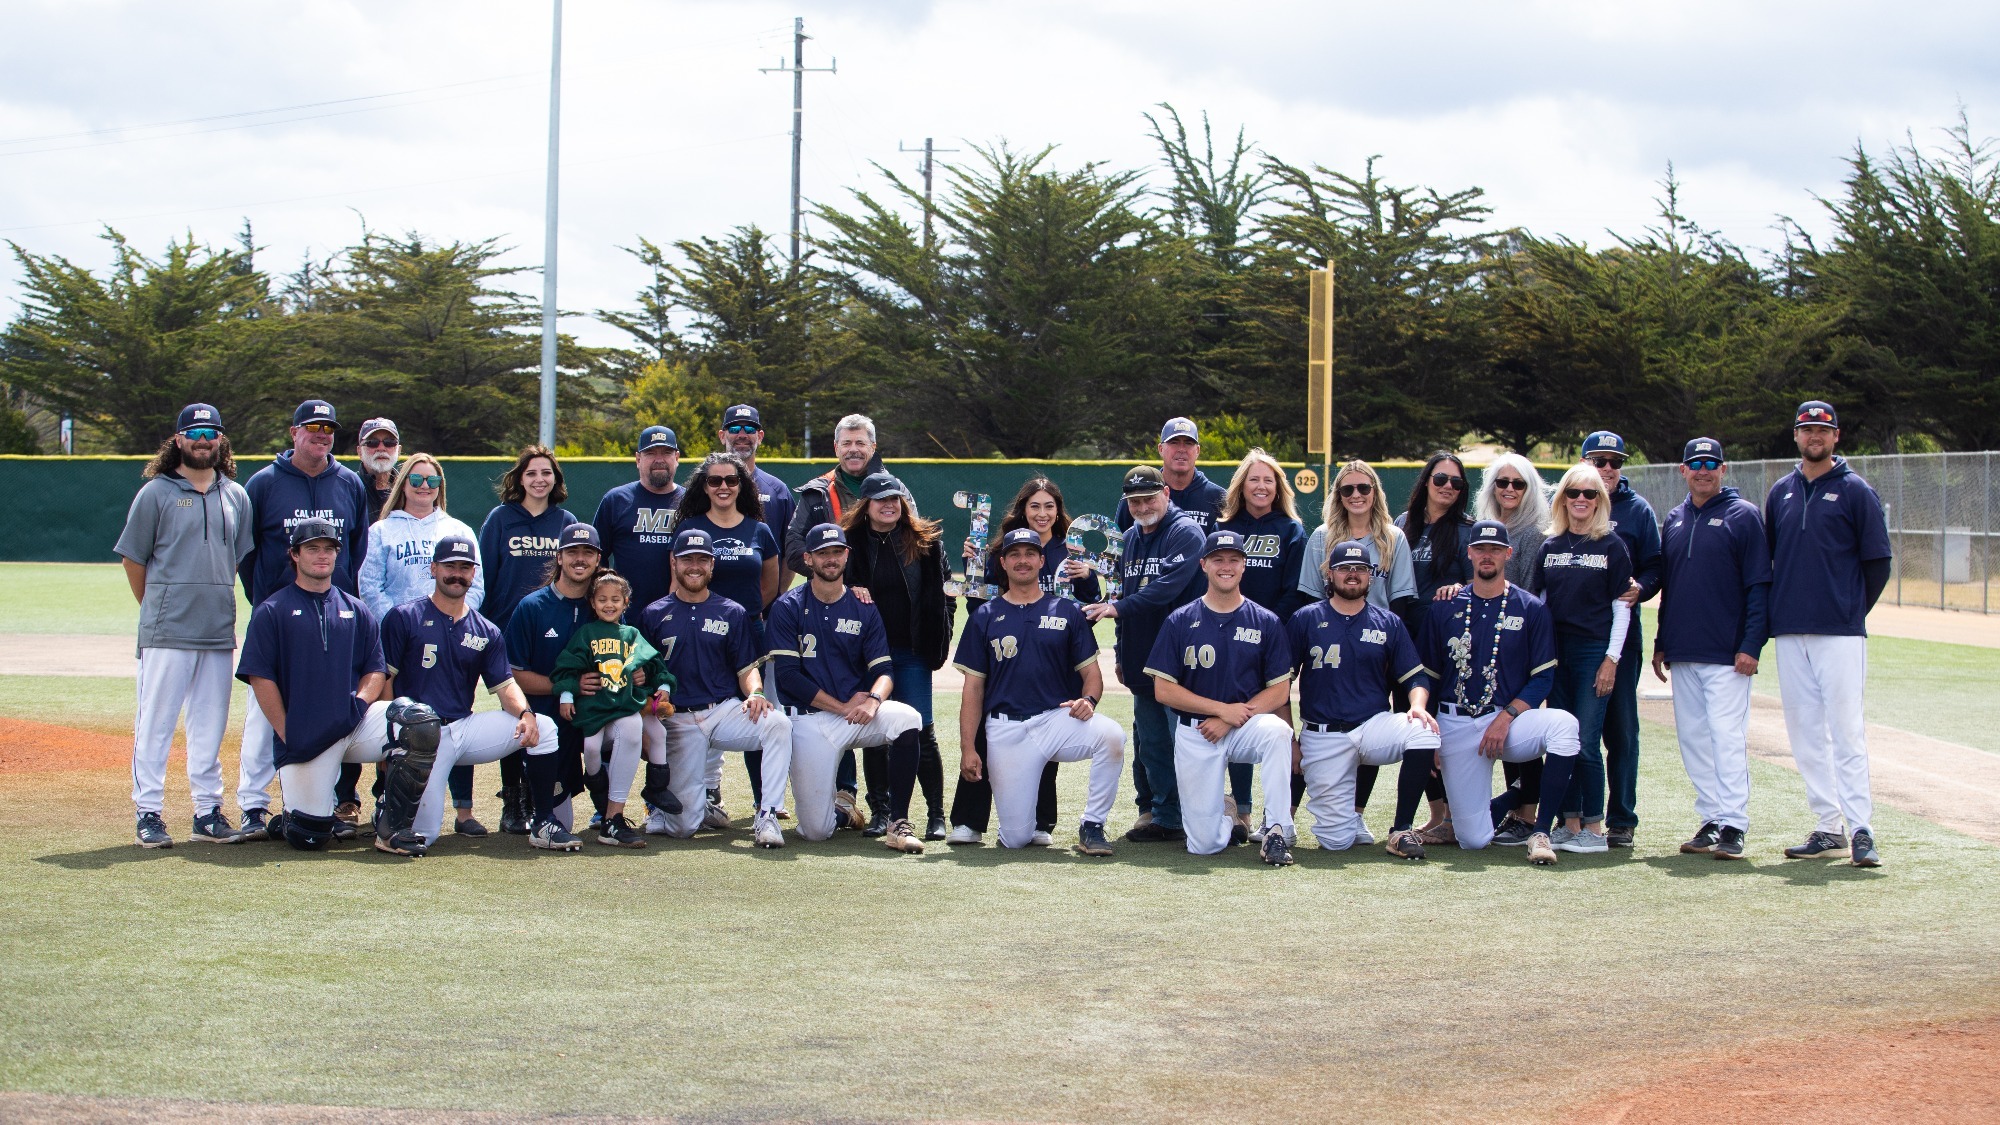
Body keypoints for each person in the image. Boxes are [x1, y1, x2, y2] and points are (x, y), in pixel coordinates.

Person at [233, 399, 371, 842]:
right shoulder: (265, 483)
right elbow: (248, 552)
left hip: (334, 615)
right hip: (279, 616)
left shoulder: (348, 483)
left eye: (328, 428)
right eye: (312, 427)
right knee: (264, 712)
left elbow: (355, 547)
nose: (321, 434)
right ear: (294, 433)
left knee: (333, 709)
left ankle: (322, 803)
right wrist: (268, 599)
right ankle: (254, 805)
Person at [116, 404, 254, 847]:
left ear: (221, 440)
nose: (202, 438)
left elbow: (235, 559)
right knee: (156, 722)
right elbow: (133, 560)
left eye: (211, 431)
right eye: (194, 431)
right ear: (177, 439)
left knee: (209, 724)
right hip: (167, 629)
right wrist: (158, 604)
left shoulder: (236, 495)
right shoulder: (155, 493)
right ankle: (149, 812)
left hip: (216, 630)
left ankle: (207, 811)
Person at [1766, 401, 1893, 868]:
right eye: (1806, 429)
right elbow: (1773, 558)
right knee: (1804, 733)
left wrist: (1849, 609)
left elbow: (1877, 562)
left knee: (1846, 730)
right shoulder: (1780, 491)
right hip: (1790, 630)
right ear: (1796, 436)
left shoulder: (1856, 490)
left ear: (1836, 436)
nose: (1814, 436)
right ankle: (1827, 826)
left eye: (1822, 429)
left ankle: (1861, 829)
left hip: (1839, 632)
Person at [376, 536, 559, 854]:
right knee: (422, 836)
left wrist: (525, 715)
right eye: (449, 566)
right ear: (433, 568)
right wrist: (391, 743)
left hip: (463, 728)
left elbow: (505, 686)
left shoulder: (485, 630)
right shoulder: (404, 617)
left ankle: (543, 820)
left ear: (474, 573)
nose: (457, 574)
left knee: (544, 728)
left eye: (465, 567)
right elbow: (385, 681)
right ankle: (389, 806)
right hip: (418, 740)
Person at [1416, 521, 1582, 865]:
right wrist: (1430, 736)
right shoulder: (1445, 605)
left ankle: (1541, 831)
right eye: (1480, 549)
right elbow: (1428, 675)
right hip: (1455, 721)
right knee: (1473, 840)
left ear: (1509, 553)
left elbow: (1542, 678)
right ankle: (1514, 796)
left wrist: (1507, 717)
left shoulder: (1530, 607)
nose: (1487, 555)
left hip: (1505, 718)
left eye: (1495, 549)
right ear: (1470, 553)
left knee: (1564, 725)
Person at [946, 477, 1099, 845]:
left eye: (1049, 506)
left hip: (1055, 654)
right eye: (1035, 506)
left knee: (1046, 735)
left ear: (1059, 512)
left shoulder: (1072, 551)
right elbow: (978, 602)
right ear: (1022, 510)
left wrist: (1089, 579)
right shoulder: (1003, 548)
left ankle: (1040, 821)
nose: (1042, 513)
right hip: (1007, 652)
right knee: (986, 726)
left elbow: (1089, 609)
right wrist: (974, 564)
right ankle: (969, 820)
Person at [230, 517, 394, 854]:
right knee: (310, 836)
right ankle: (290, 818)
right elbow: (261, 678)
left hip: (353, 724)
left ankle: (396, 821)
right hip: (304, 737)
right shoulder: (272, 610)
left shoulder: (357, 610)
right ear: (294, 554)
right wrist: (287, 732)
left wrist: (359, 706)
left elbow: (375, 670)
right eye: (312, 548)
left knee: (416, 723)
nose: (322, 555)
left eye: (329, 549)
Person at [1288, 458, 1430, 845]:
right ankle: (1284, 818)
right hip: (1331, 632)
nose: (1355, 495)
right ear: (1337, 495)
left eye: (1363, 488)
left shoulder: (1392, 536)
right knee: (1321, 720)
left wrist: (1387, 647)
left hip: (1377, 640)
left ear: (1375, 493)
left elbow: (1400, 599)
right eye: (1346, 489)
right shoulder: (1321, 535)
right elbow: (1311, 597)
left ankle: (1357, 813)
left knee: (1373, 717)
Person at [767, 523, 927, 852]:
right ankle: (842, 810)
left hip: (856, 713)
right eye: (822, 553)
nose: (831, 559)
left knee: (908, 718)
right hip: (810, 719)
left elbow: (883, 670)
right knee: (815, 831)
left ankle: (898, 822)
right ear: (808, 559)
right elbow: (788, 677)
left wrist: (873, 699)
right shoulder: (788, 606)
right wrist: (842, 707)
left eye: (836, 552)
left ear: (846, 555)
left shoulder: (863, 606)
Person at [1143, 530, 1296, 864]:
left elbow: (1280, 691)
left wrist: (1231, 717)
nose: (1226, 566)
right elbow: (1163, 690)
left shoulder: (1265, 621)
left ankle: (1276, 830)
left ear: (1244, 566)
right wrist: (1220, 711)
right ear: (1204, 565)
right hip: (1197, 730)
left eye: (1233, 560)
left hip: (1244, 726)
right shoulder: (1180, 620)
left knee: (1279, 733)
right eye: (1218, 560)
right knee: (1204, 845)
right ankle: (1228, 816)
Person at [637, 527, 793, 848]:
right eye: (687, 559)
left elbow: (746, 668)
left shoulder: (732, 612)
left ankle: (767, 814)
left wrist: (755, 692)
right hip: (677, 720)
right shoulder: (653, 614)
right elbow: (642, 673)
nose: (694, 566)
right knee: (681, 828)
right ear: (674, 564)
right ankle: (695, 804)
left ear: (712, 565)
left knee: (777, 724)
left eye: (702, 560)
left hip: (722, 712)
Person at [356, 452, 487, 836]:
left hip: (451, 638)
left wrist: (452, 623)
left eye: (432, 481)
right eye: (416, 480)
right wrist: (401, 624)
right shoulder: (381, 531)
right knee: (398, 720)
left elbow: (475, 585)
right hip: (399, 639)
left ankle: (463, 811)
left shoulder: (457, 528)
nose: (424, 487)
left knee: (456, 716)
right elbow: (370, 585)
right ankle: (388, 801)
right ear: (403, 485)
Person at [1653, 438, 1770, 860]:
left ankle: (1734, 824)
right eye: (1694, 464)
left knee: (1726, 737)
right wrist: (1662, 642)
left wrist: (1751, 645)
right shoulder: (1675, 518)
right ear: (1682, 470)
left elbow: (1759, 586)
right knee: (1695, 740)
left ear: (1724, 469)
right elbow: (1671, 589)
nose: (1702, 470)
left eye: (1710, 463)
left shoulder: (1744, 516)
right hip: (1684, 650)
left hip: (1727, 655)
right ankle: (1711, 817)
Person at [1083, 466, 1206, 843]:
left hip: (1181, 657)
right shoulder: (1130, 538)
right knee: (1153, 743)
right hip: (1141, 655)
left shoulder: (1185, 532)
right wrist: (1120, 648)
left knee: (1185, 741)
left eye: (1149, 498)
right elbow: (1121, 593)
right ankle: (1167, 817)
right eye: (1135, 501)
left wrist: (1117, 610)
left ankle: (1200, 818)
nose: (1142, 506)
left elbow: (1168, 588)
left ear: (1166, 494)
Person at [1526, 463, 1634, 854]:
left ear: (1600, 500)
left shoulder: (1611, 546)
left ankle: (1595, 827)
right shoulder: (1550, 546)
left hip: (1593, 651)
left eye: (1591, 494)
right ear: (1563, 499)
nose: (1582, 500)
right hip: (1557, 654)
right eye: (1574, 493)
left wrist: (1611, 659)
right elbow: (1539, 605)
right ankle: (1569, 824)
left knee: (1587, 741)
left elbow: (1622, 607)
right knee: (1564, 740)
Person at [842, 471, 955, 840]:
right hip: (869, 655)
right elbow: (829, 585)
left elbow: (946, 594)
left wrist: (941, 636)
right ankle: (880, 811)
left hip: (911, 652)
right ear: (867, 506)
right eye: (880, 500)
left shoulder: (926, 542)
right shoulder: (849, 543)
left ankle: (936, 814)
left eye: (894, 499)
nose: (889, 505)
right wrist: (849, 589)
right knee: (877, 732)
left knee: (921, 730)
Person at [673, 451, 784, 825]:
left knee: (759, 711)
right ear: (703, 486)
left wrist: (740, 618)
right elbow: (678, 582)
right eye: (714, 480)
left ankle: (763, 802)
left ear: (743, 486)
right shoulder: (691, 525)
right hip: (699, 633)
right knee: (705, 709)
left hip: (750, 629)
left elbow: (772, 581)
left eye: (731, 480)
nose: (723, 487)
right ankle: (706, 794)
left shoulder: (758, 530)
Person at [476, 444, 579, 833]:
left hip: (551, 629)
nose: (540, 480)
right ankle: (513, 797)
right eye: (532, 473)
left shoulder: (564, 519)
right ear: (520, 478)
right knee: (514, 711)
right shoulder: (502, 518)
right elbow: (485, 574)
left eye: (547, 473)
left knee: (548, 705)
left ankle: (546, 792)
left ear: (556, 480)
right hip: (506, 626)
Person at [501, 523, 614, 853]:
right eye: (573, 552)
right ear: (560, 557)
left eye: (588, 553)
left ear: (598, 559)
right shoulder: (533, 607)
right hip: (549, 718)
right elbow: (514, 674)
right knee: (560, 821)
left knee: (629, 727)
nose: (580, 559)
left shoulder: (606, 606)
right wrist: (568, 685)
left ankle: (611, 813)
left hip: (593, 716)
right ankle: (538, 801)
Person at [1215, 449, 1306, 839]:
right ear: (1241, 485)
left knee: (1278, 723)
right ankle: (1240, 811)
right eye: (1254, 479)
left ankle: (1280, 813)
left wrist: (1266, 628)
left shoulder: (1291, 530)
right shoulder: (1225, 527)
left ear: (1278, 487)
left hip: (1273, 639)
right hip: (1226, 640)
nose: (1261, 486)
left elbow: (1296, 590)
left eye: (1269, 480)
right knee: (1232, 717)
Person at [1581, 430, 1662, 848]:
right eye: (1600, 460)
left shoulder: (1636, 510)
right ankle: (1575, 814)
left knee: (1621, 729)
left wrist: (1640, 588)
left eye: (1615, 461)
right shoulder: (1571, 503)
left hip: (1620, 637)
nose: (1609, 468)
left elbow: (1654, 566)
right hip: (1574, 638)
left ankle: (1621, 819)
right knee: (1575, 728)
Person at [551, 570, 671, 848]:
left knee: (636, 729)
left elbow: (654, 666)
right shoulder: (586, 633)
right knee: (591, 750)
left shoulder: (631, 634)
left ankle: (615, 816)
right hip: (593, 711)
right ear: (592, 602)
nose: (609, 604)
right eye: (602, 599)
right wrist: (567, 694)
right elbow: (567, 668)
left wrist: (659, 684)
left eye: (615, 599)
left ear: (626, 603)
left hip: (623, 706)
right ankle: (598, 792)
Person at [592, 425, 685, 619]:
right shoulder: (616, 500)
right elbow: (596, 559)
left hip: (678, 617)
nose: (659, 460)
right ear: (638, 459)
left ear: (676, 458)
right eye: (650, 453)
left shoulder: (691, 503)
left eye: (666, 452)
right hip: (624, 617)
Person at [785, 413, 885, 576]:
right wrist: (832, 576)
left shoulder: (896, 490)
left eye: (860, 443)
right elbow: (794, 546)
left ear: (873, 447)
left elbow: (911, 541)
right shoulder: (816, 493)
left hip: (884, 593)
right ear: (836, 447)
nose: (853, 449)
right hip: (831, 595)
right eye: (846, 443)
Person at [1114, 416, 1226, 533]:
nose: (1181, 449)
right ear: (1160, 449)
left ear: (1197, 450)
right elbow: (1118, 544)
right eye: (1174, 442)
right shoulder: (1137, 495)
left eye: (1188, 443)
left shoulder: (1218, 497)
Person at [718, 404, 796, 551]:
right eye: (734, 429)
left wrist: (779, 576)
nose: (742, 435)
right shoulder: (707, 487)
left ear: (759, 437)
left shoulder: (777, 491)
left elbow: (790, 547)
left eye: (750, 429)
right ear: (722, 436)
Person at [1475, 453, 1551, 588]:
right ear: (1493, 487)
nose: (1509, 489)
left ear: (1529, 490)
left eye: (1518, 484)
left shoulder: (1533, 533)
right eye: (1502, 482)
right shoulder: (1483, 527)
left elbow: (1529, 591)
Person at [355, 417, 402, 521]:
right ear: (359, 452)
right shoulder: (348, 488)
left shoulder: (408, 490)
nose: (381, 448)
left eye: (389, 442)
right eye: (372, 442)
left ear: (399, 450)